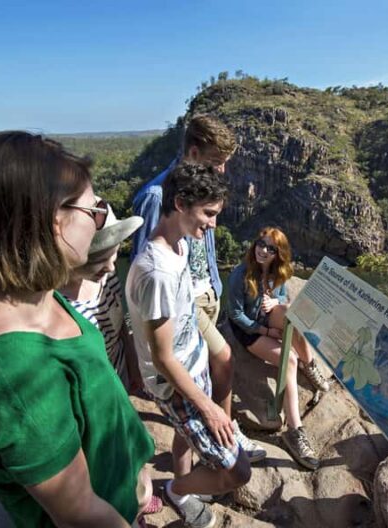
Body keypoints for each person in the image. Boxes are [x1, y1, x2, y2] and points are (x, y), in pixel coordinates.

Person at [0, 131, 155, 528]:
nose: (100, 221)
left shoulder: (38, 296)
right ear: (48, 219)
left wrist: (137, 472)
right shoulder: (15, 378)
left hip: (123, 499)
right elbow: (78, 515)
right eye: (93, 211)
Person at [131, 114, 264, 462]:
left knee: (204, 370)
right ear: (193, 151)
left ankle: (193, 452)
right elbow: (146, 264)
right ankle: (223, 431)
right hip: (182, 301)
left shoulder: (201, 189)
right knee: (222, 359)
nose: (221, 171)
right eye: (216, 162)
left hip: (207, 294)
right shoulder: (157, 195)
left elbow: (203, 242)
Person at [126, 163, 251, 528]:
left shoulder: (178, 245)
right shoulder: (156, 271)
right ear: (180, 203)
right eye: (208, 213)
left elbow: (182, 317)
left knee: (186, 441)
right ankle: (177, 489)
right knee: (236, 471)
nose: (213, 224)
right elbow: (163, 358)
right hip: (178, 385)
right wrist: (211, 409)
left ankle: (184, 489)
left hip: (194, 365)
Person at [227, 227, 331, 470]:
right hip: (250, 330)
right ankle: (295, 431)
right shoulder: (240, 274)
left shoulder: (278, 274)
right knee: (289, 361)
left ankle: (311, 365)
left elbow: (282, 302)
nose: (263, 250)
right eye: (260, 244)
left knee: (291, 315)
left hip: (268, 319)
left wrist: (277, 302)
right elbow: (235, 314)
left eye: (270, 248)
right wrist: (266, 332)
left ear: (278, 253)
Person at [59, 204, 145, 394]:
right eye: (98, 259)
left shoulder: (106, 278)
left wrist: (132, 366)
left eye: (113, 255)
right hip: (95, 389)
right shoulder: (59, 308)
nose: (111, 268)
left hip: (118, 370)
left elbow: (120, 324)